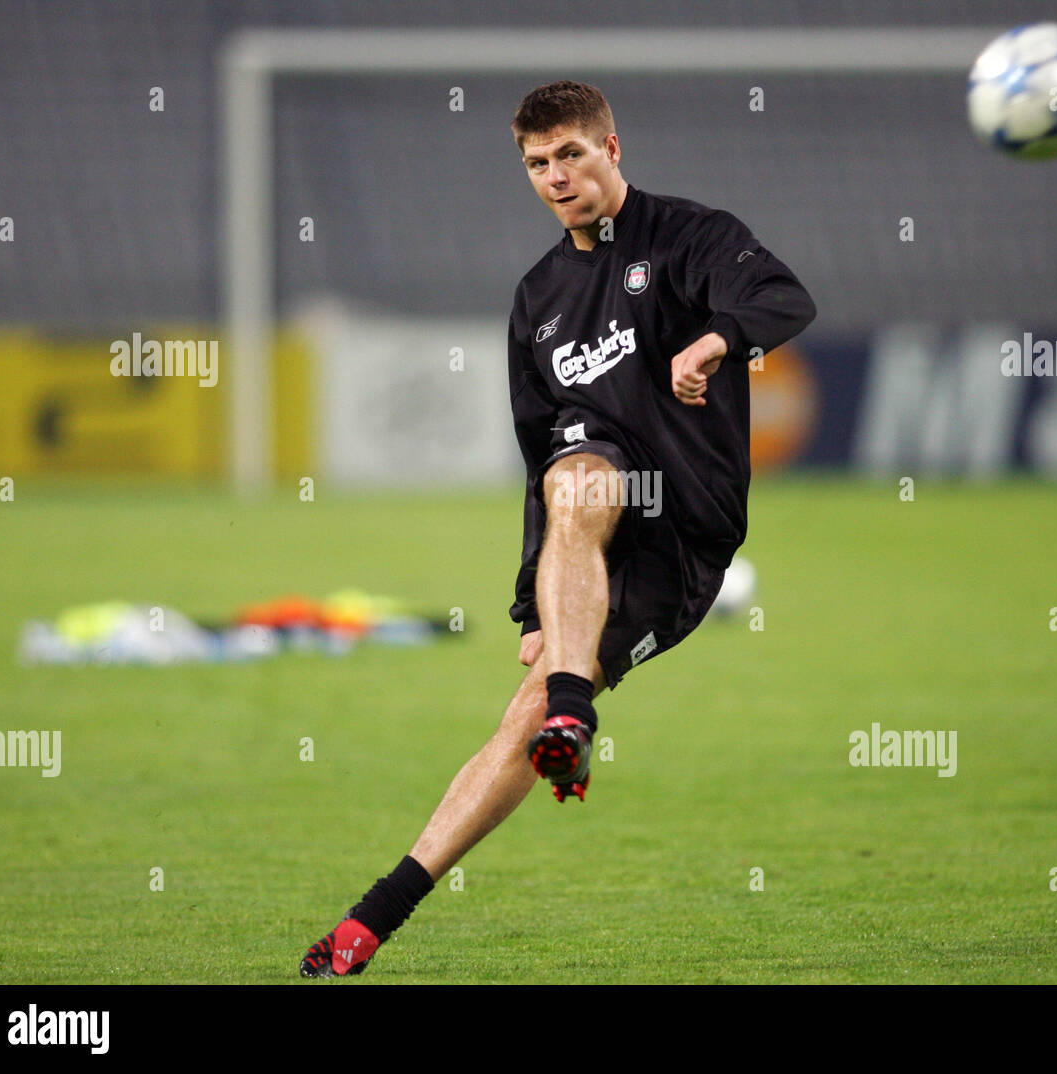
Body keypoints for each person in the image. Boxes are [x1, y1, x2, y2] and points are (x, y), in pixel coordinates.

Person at [300, 80, 815, 977]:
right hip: (589, 508)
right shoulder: (537, 299)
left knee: (530, 707)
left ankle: (564, 714)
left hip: (684, 532)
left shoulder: (691, 236)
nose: (554, 176)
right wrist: (527, 604)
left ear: (612, 150)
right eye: (536, 163)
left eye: (570, 154)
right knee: (572, 487)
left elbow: (786, 297)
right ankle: (370, 921)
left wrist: (718, 338)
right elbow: (538, 462)